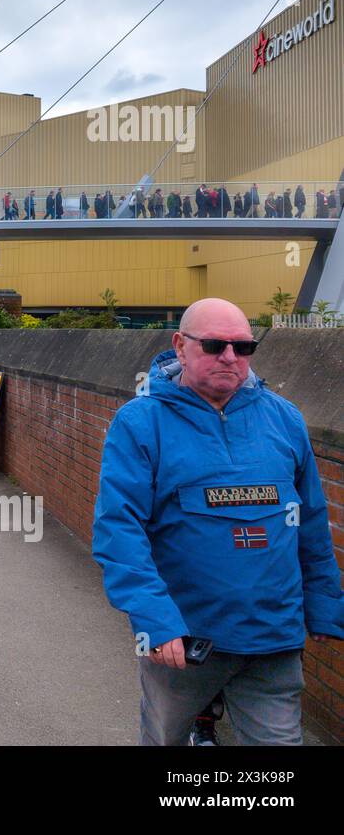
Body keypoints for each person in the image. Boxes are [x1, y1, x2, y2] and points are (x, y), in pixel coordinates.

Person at [93, 297, 344, 745]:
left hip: (273, 636)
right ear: (180, 346)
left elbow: (310, 521)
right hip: (184, 643)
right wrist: (155, 619)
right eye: (214, 345)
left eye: (243, 347)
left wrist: (324, 604)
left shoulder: (284, 419)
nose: (230, 357)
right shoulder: (141, 423)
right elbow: (120, 530)